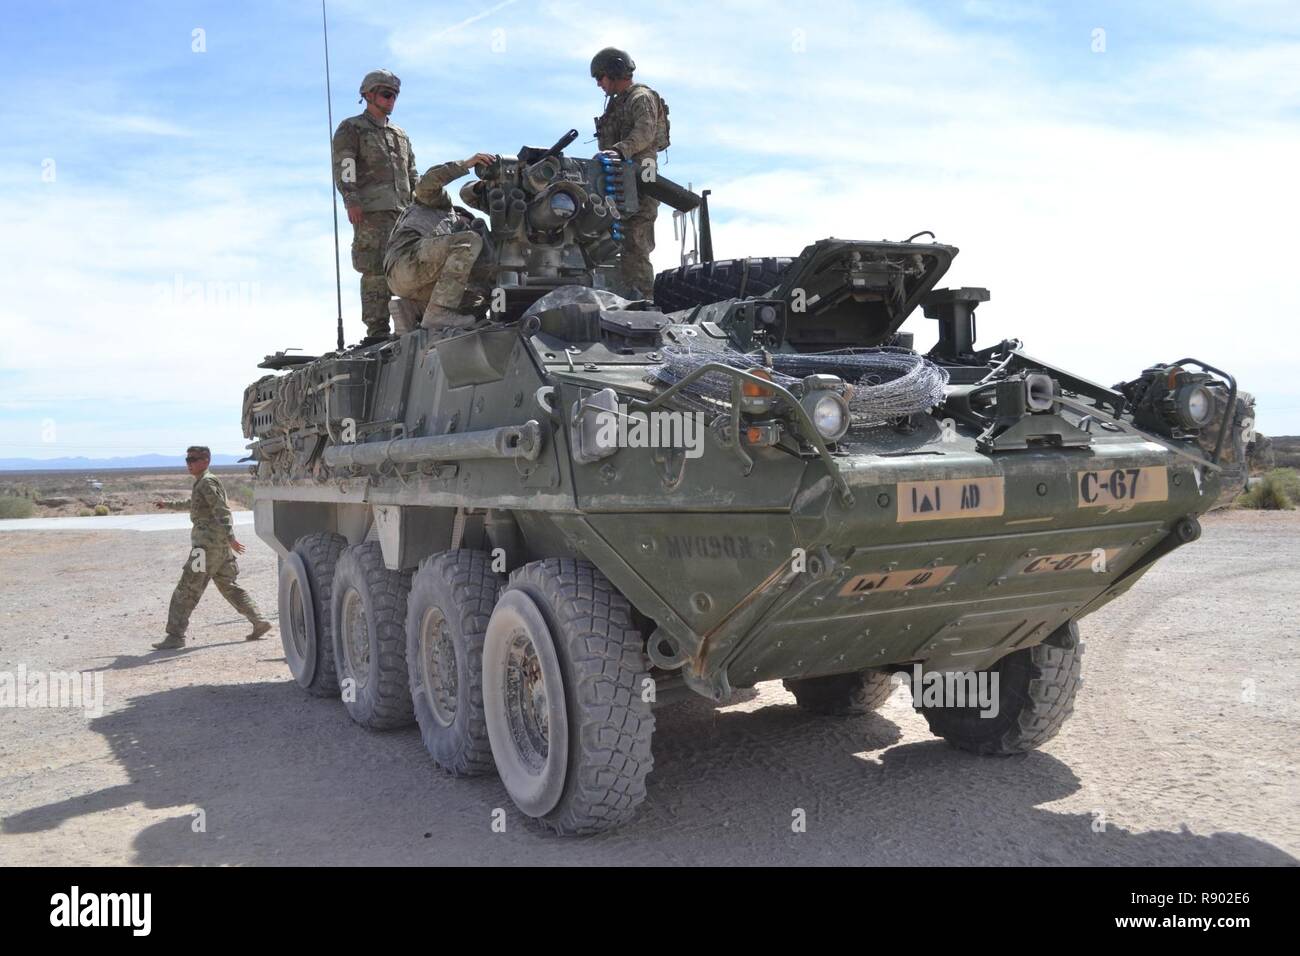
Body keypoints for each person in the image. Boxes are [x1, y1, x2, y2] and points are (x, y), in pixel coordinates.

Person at [153, 447, 271, 650]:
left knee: (186, 589)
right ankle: (259, 621)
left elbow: (221, 510)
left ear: (206, 461)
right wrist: (169, 504)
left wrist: (231, 537)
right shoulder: (204, 482)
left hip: (206, 548)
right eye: (187, 459)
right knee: (229, 586)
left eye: (194, 459)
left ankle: (175, 635)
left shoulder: (206, 482)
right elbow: (195, 504)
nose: (189, 463)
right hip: (218, 548)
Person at [332, 69, 419, 345]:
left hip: (403, 213)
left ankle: (410, 324)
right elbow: (345, 167)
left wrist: (421, 205)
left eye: (394, 95)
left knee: (408, 267)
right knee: (374, 269)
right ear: (368, 95)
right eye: (385, 93)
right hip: (371, 212)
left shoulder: (400, 135)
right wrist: (351, 200)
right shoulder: (352, 129)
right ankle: (377, 330)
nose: (391, 99)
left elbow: (412, 172)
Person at [383, 153, 497, 336]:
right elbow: (427, 183)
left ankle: (412, 308)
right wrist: (465, 165)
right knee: (470, 241)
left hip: (408, 280)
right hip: (407, 260)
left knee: (473, 297)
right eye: (464, 222)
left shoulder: (450, 257)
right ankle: (437, 314)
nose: (465, 225)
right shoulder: (439, 205)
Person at [591, 47, 670, 299]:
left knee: (636, 246)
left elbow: (645, 133)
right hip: (618, 182)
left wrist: (620, 150)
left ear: (614, 72)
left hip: (640, 182)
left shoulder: (641, 97)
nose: (599, 85)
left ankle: (645, 303)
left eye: (600, 78)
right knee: (612, 245)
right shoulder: (617, 104)